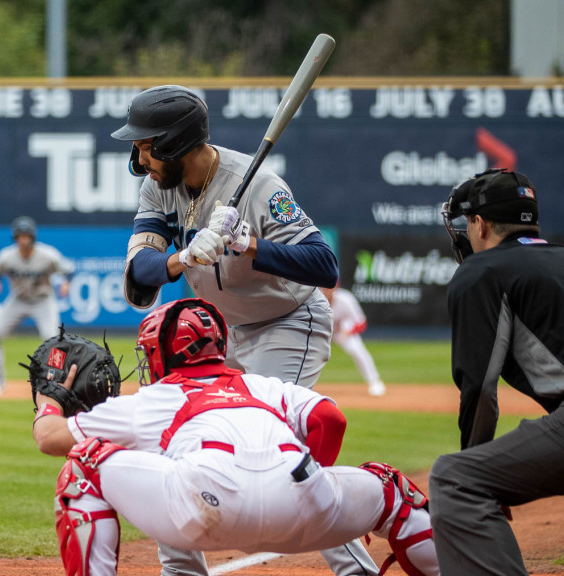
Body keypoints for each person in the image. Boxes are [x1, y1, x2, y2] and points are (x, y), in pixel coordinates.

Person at [112, 85, 374, 576]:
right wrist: (183, 257)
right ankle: (182, 569)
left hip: (287, 323)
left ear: (172, 144)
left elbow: (324, 264)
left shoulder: (260, 187)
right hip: (220, 333)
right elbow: (141, 271)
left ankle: (356, 569)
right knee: (169, 440)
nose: (139, 155)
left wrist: (249, 243)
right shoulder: (158, 187)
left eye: (146, 144)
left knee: (274, 445)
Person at [32, 298, 439, 576]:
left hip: (205, 513)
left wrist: (49, 397)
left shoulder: (154, 400)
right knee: (394, 489)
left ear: (163, 353)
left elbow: (50, 439)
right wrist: (313, 481)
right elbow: (330, 419)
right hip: (302, 507)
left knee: (84, 464)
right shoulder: (265, 386)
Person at [430, 168, 564, 575]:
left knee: (456, 480)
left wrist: (479, 466)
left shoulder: (481, 271)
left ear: (479, 223)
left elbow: (480, 386)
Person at [0, 216, 74, 398]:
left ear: (32, 237)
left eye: (26, 235)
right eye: (20, 236)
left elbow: (68, 269)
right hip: (18, 300)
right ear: (15, 238)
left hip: (43, 300)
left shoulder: (47, 255)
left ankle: (54, 382)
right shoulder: (7, 257)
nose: (23, 239)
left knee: (53, 340)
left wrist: (66, 283)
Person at [328, 285, 386, 397]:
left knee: (357, 349)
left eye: (328, 286)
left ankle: (375, 382)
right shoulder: (314, 298)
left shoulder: (345, 299)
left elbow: (361, 322)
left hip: (342, 331)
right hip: (322, 330)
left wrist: (347, 332)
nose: (326, 289)